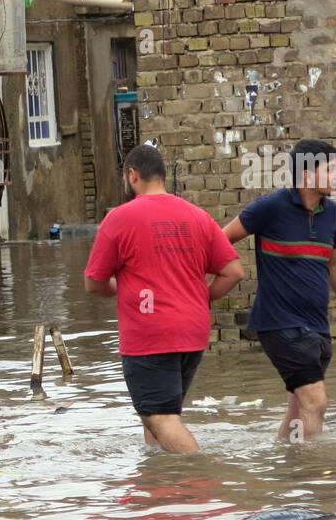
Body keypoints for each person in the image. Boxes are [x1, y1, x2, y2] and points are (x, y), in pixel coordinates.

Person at [84, 144, 244, 453]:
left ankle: (202, 482)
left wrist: (119, 289)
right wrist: (201, 299)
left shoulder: (120, 218)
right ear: (162, 176)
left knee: (159, 417)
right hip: (192, 333)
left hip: (151, 335)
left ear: (132, 175)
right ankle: (163, 488)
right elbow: (234, 271)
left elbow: (94, 282)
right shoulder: (197, 216)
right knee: (160, 414)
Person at [223, 139, 336, 443]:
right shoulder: (270, 208)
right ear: (306, 175)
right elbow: (219, 241)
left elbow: (335, 263)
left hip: (316, 325)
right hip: (280, 324)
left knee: (299, 407)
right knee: (316, 402)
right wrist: (209, 283)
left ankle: (287, 466)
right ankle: (313, 479)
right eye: (331, 170)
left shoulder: (331, 214)